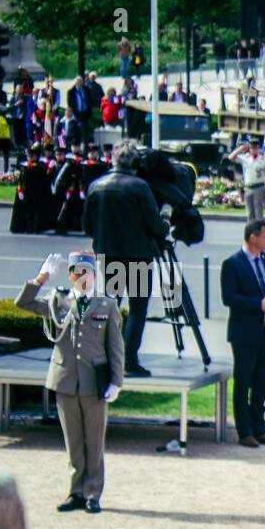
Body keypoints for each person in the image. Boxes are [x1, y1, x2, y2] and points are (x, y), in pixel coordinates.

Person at [15, 252, 124, 513]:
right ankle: (75, 492)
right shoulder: (59, 300)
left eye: (87, 273)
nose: (82, 278)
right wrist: (42, 277)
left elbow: (116, 347)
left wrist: (116, 381)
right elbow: (23, 303)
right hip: (65, 381)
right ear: (71, 276)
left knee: (94, 442)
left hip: (93, 382)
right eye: (77, 273)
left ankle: (92, 494)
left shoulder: (106, 305)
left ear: (94, 276)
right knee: (73, 441)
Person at [82, 138, 169, 377]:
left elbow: (86, 226)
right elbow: (156, 226)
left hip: (109, 255)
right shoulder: (139, 187)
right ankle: (129, 360)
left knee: (111, 306)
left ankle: (104, 357)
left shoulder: (96, 185)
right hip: (138, 257)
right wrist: (166, 221)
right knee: (137, 310)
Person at [221, 219, 265, 447]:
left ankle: (260, 428)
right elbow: (229, 297)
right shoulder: (232, 264)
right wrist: (258, 304)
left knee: (263, 382)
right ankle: (245, 431)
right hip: (245, 333)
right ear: (253, 237)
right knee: (243, 382)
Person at [226, 137, 265, 222]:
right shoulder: (245, 158)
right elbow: (231, 157)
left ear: (258, 148)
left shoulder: (262, 159)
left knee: (258, 213)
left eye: (256, 148)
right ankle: (251, 231)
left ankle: (259, 231)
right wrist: (241, 148)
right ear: (249, 149)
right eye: (252, 148)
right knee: (249, 213)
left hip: (259, 187)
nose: (254, 150)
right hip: (248, 188)